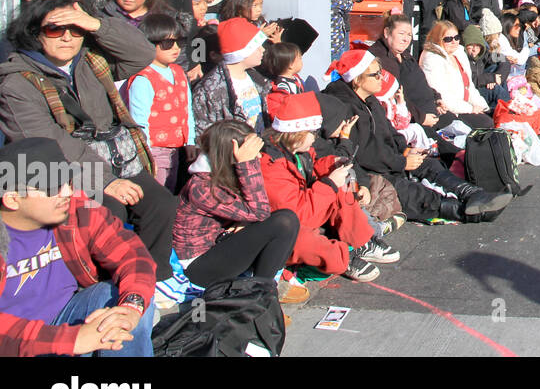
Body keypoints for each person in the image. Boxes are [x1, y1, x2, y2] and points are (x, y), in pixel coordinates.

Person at [0, 0, 177, 279]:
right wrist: (106, 181)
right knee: (109, 212)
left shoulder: (92, 61)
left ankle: (150, 279)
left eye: (76, 29)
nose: (67, 37)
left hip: (113, 159)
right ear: (35, 33)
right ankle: (102, 287)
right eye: (55, 29)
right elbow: (49, 142)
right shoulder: (17, 82)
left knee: (162, 204)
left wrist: (95, 24)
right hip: (59, 173)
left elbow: (142, 53)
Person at [0, 138, 157, 357]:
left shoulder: (74, 208)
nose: (66, 191)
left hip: (69, 315)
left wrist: (131, 307)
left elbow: (132, 254)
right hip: (16, 343)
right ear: (13, 199)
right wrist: (72, 340)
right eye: (52, 186)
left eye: (68, 180)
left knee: (128, 303)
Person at [325, 49, 509, 223]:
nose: (381, 77)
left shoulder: (369, 99)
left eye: (380, 71)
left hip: (388, 160)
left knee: (429, 163)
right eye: (375, 74)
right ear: (357, 80)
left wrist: (405, 151)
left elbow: (390, 132)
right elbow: (365, 155)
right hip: (368, 172)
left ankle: (472, 193)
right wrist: (402, 162)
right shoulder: (345, 107)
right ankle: (465, 212)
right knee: (408, 192)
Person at [260, 92, 394, 283]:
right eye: (312, 133)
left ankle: (359, 242)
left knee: (342, 188)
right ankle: (339, 260)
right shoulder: (271, 166)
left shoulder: (298, 150)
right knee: (307, 239)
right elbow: (297, 214)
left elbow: (314, 168)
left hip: (305, 210)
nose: (315, 138)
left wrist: (334, 163)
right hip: (288, 227)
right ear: (296, 133)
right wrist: (330, 183)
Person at [172, 119, 300, 289]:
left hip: (220, 243)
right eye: (252, 153)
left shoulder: (223, 174)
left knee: (286, 219)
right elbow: (260, 212)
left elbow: (256, 211)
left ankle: (262, 291)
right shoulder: (201, 187)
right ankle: (261, 294)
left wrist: (244, 222)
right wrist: (246, 164)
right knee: (284, 221)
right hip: (198, 266)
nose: (259, 157)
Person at [125, 13, 196, 193]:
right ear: (149, 44)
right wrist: (146, 155)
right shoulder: (143, 78)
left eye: (179, 42)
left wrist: (190, 141)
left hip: (176, 149)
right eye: (167, 44)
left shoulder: (179, 72)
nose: (175, 48)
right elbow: (139, 120)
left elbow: (187, 110)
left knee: (171, 190)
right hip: (154, 150)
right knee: (158, 194)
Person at [191, 18, 272, 132]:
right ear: (241, 52)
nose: (263, 50)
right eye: (256, 46)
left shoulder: (258, 80)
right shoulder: (210, 90)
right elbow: (203, 134)